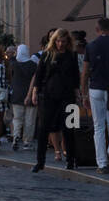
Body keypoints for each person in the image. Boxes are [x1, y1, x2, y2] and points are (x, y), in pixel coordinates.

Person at [31, 28, 81, 174]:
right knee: (43, 128)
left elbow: (75, 76)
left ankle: (71, 160)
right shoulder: (47, 55)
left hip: (67, 95)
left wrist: (78, 94)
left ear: (67, 42)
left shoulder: (72, 55)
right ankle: (40, 161)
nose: (60, 44)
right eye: (58, 41)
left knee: (70, 128)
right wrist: (35, 92)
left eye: (63, 41)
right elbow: (39, 75)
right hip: (48, 95)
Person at [81, 16, 109, 172]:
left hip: (95, 88)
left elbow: (85, 72)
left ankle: (102, 163)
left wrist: (84, 93)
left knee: (98, 126)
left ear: (97, 30)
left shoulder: (91, 46)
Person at [10, 45, 37, 151]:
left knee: (17, 119)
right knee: (30, 119)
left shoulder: (14, 64)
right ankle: (27, 141)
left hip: (16, 95)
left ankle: (16, 137)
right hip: (30, 95)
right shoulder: (33, 65)